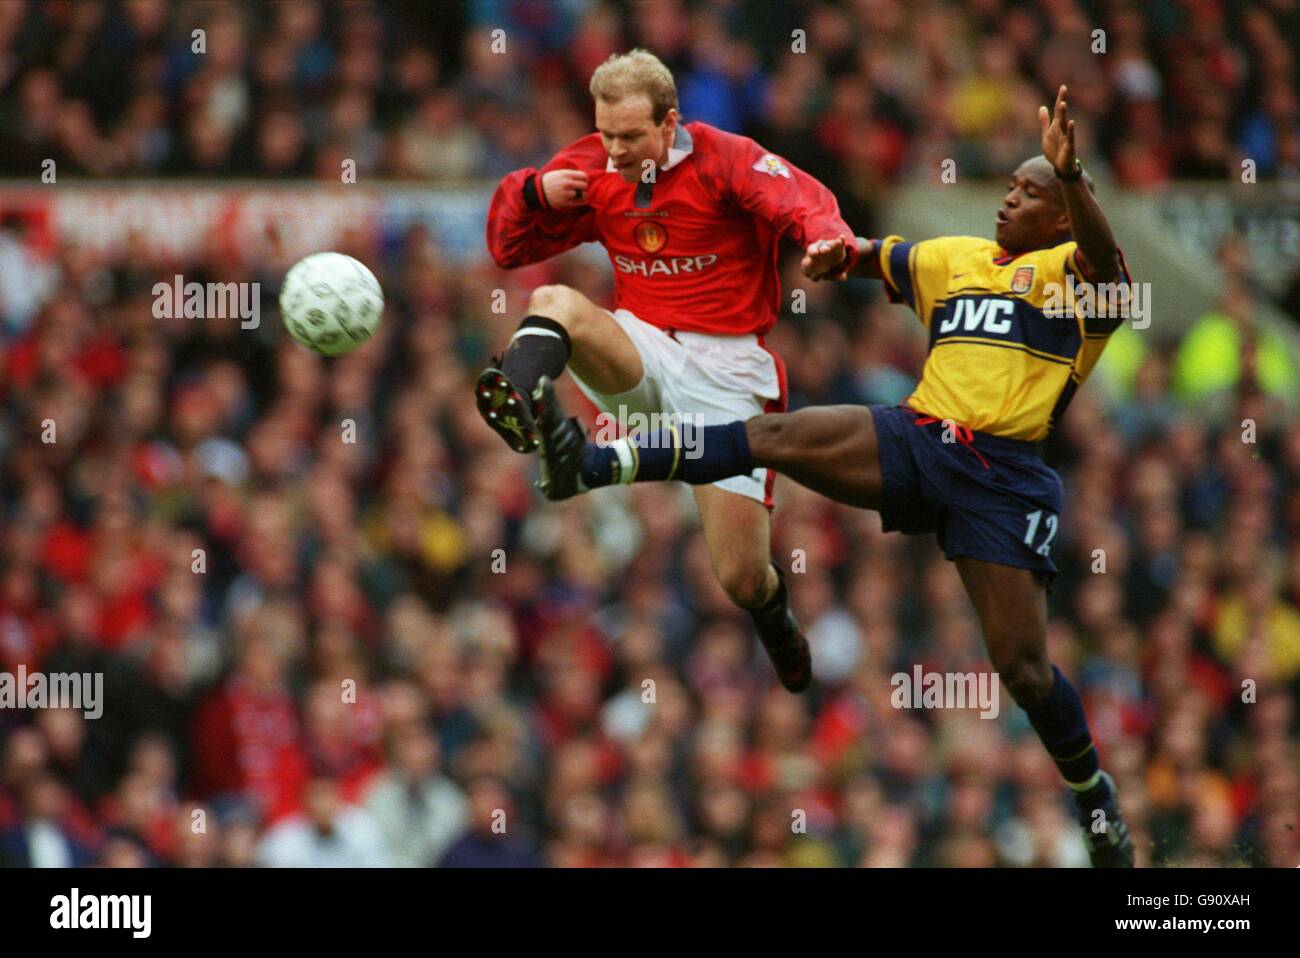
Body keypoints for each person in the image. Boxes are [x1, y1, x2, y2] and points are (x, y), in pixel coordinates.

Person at [533, 86, 1136, 868]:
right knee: (774, 434)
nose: (1008, 200)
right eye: (1011, 186)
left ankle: (1092, 795)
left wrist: (1075, 175)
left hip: (1004, 479)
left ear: (1061, 215)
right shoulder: (956, 258)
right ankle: (591, 462)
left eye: (1029, 192)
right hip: (919, 438)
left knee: (1020, 669)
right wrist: (833, 253)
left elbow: (1110, 264)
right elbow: (871, 257)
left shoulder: (1076, 279)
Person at [476, 49, 858, 692]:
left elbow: (802, 199)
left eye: (630, 137)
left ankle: (775, 616)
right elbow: (508, 245)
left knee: (740, 578)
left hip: (727, 375)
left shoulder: (726, 159)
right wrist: (534, 191)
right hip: (642, 352)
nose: (616, 151)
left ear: (670, 122)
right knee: (553, 303)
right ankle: (516, 399)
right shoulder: (597, 166)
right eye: (606, 134)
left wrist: (827, 240)